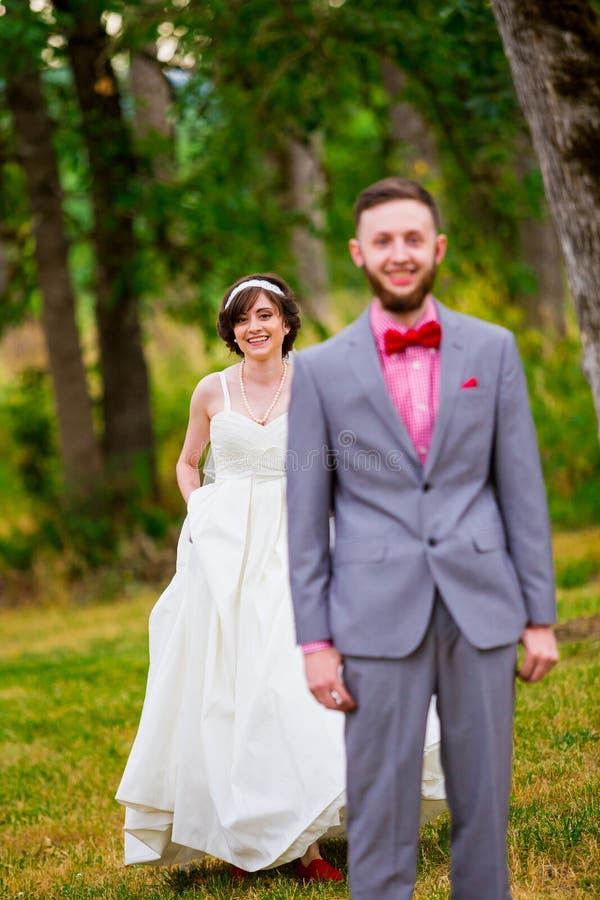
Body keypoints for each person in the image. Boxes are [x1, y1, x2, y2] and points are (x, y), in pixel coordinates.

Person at [286, 179, 560, 899]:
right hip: (374, 617)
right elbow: (307, 514)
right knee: (379, 811)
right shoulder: (318, 370)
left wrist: (539, 616)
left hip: (483, 610)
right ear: (358, 253)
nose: (399, 254)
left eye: (413, 239)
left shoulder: (493, 350)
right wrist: (315, 642)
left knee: (483, 804)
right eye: (384, 241)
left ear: (436, 248)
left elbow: (521, 491)